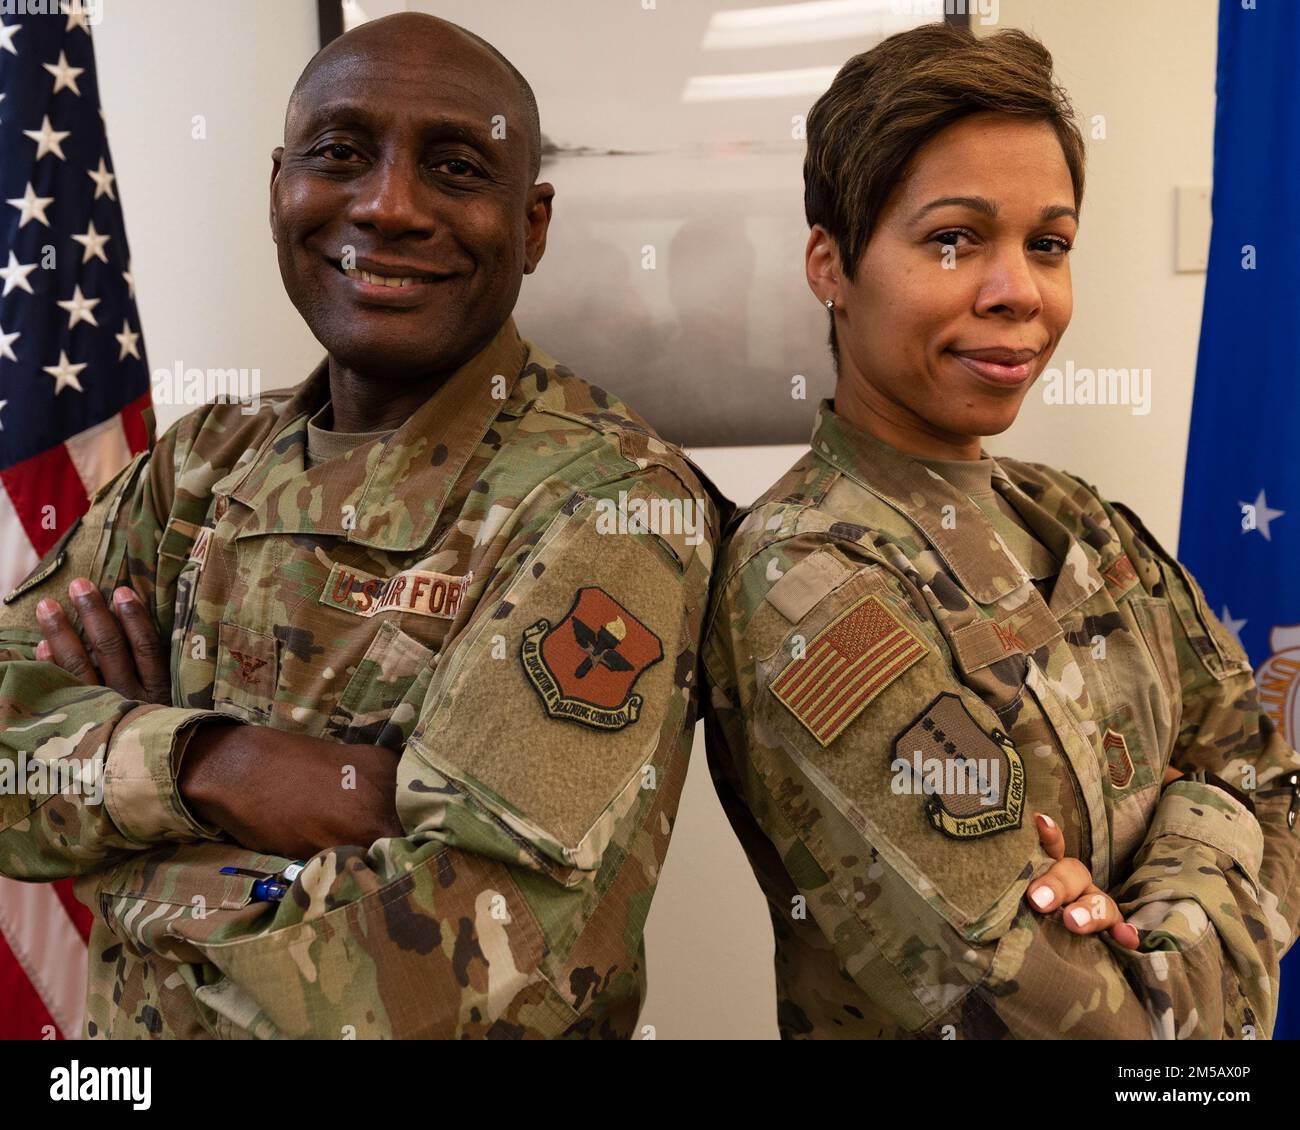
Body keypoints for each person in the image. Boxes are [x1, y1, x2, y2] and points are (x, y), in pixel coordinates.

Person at [0, 12, 718, 1039]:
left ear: (532, 225)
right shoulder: (201, 462)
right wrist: (211, 764)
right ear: (278, 186)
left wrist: (119, 832)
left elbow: (457, 970)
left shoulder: (609, 501)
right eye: (340, 153)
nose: (388, 206)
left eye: (458, 168)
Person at [703, 23, 1300, 1039]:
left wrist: (1164, 882)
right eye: (952, 238)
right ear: (830, 264)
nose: (1017, 289)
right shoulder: (805, 578)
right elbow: (1107, 1031)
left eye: (1048, 244)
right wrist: (1201, 838)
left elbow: (1272, 772)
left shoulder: (1085, 520)